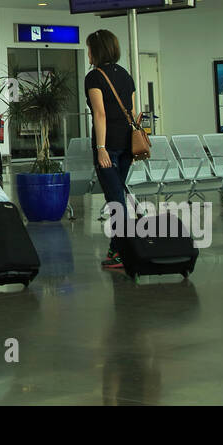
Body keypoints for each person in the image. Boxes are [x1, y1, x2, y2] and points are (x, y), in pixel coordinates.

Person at [84, 29, 138, 270]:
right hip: (128, 143)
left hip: (109, 146)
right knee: (118, 197)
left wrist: (101, 147)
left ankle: (122, 250)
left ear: (96, 50)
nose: (88, 53)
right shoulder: (126, 75)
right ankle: (120, 248)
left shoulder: (94, 77)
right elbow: (133, 112)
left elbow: (100, 113)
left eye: (89, 49)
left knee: (115, 199)